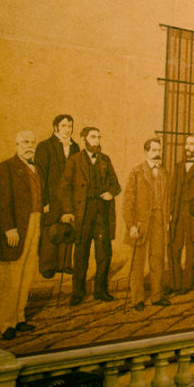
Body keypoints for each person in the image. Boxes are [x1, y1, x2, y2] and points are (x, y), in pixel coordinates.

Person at [61, 126, 121, 305]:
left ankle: (101, 290)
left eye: (99, 137)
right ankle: (78, 292)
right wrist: (68, 211)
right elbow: (64, 188)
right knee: (81, 253)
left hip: (102, 213)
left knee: (104, 253)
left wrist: (111, 193)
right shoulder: (74, 161)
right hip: (83, 213)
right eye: (93, 137)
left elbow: (115, 185)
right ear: (83, 139)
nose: (97, 141)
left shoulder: (105, 160)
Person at [0, 131, 43, 339]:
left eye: (32, 142)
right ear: (16, 144)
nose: (29, 146)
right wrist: (8, 228)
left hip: (35, 223)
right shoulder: (6, 167)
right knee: (11, 278)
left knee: (26, 275)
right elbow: (2, 201)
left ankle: (20, 317)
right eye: (24, 142)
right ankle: (7, 324)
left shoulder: (37, 169)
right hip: (16, 228)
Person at [122, 137, 171, 311]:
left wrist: (166, 221)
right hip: (141, 221)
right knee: (138, 261)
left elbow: (167, 199)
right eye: (154, 150)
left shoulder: (164, 172)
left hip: (159, 220)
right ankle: (138, 298)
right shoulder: (137, 172)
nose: (157, 154)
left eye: (159, 150)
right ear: (146, 152)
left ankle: (157, 295)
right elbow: (128, 201)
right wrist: (131, 225)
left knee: (157, 259)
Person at [34, 114, 79, 279]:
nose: (68, 130)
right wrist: (44, 200)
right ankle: (47, 266)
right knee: (49, 229)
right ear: (56, 128)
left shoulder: (75, 147)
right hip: (51, 197)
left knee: (67, 227)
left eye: (70, 126)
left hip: (68, 197)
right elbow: (40, 176)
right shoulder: (44, 146)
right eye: (64, 126)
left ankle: (65, 263)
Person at [169, 135, 194, 294]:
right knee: (174, 247)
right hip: (178, 211)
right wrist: (171, 213)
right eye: (187, 143)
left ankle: (186, 284)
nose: (188, 147)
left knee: (192, 248)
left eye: (191, 144)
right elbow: (173, 191)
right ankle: (174, 284)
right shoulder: (178, 167)